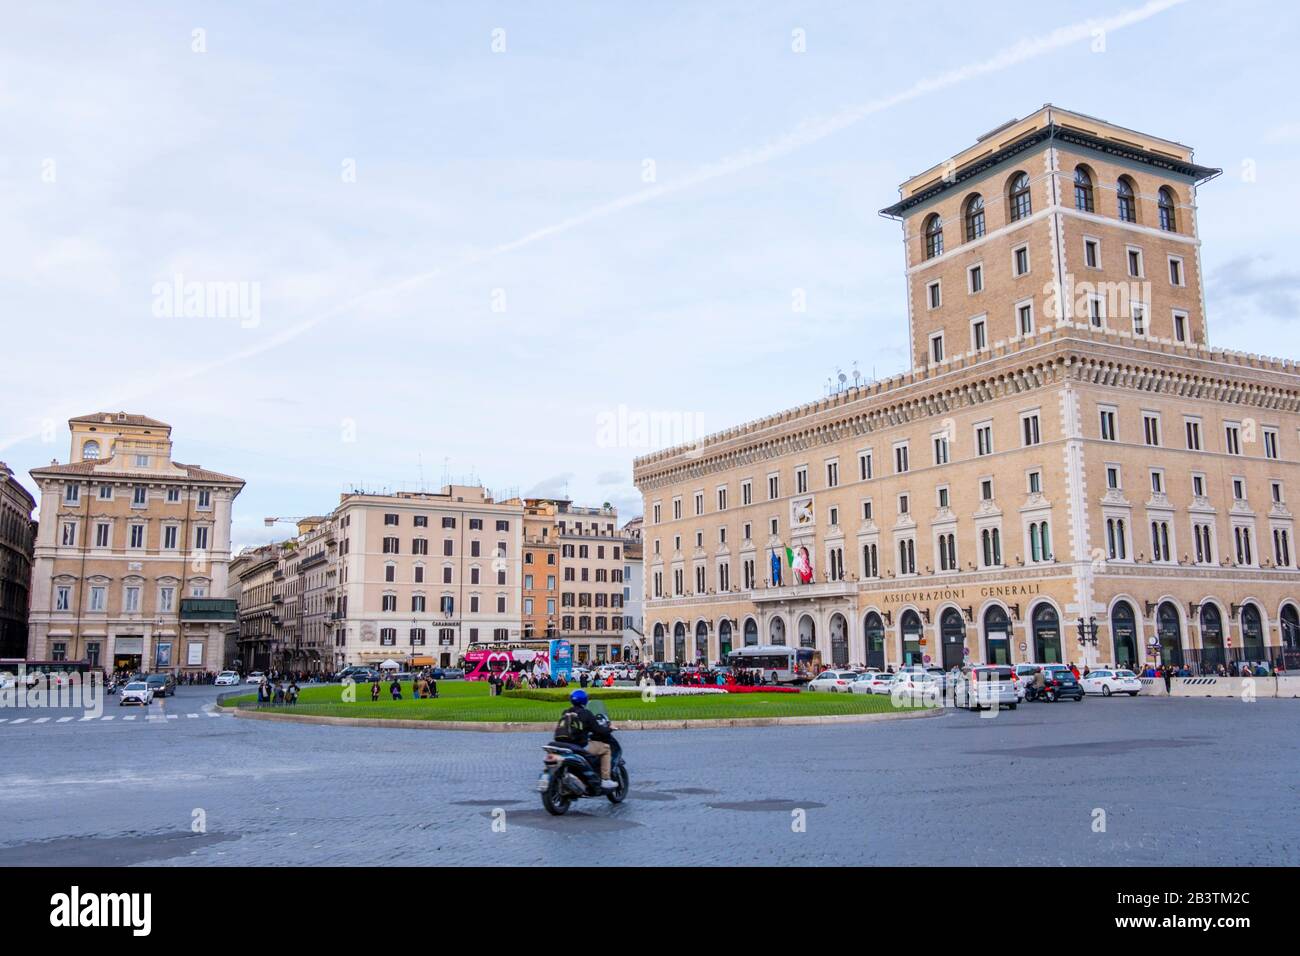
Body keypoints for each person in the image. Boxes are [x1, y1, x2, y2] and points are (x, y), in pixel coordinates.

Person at [555, 689, 617, 790]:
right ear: (584, 700)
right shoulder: (586, 713)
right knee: (606, 748)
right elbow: (598, 730)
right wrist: (609, 728)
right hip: (581, 745)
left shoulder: (566, 712)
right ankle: (606, 779)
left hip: (564, 745)